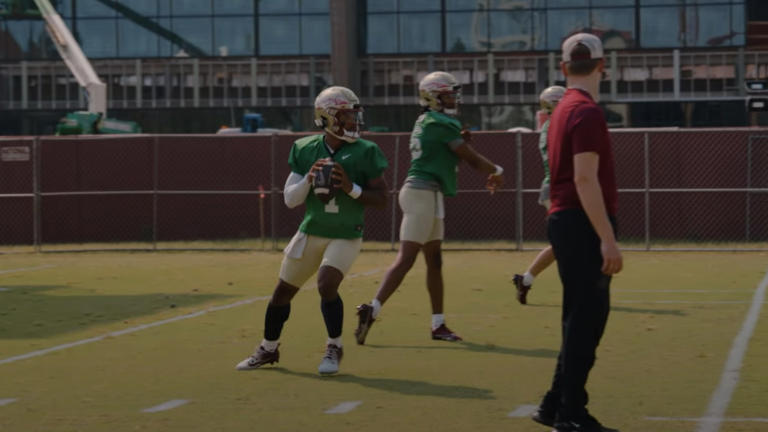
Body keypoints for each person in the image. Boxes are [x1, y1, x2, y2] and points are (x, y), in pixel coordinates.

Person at [235, 86, 388, 375]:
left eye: (355, 115)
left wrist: (349, 188)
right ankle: (268, 348)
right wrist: (309, 177)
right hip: (312, 231)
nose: (354, 122)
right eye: (347, 116)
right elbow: (291, 199)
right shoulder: (305, 149)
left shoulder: (367, 151)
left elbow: (382, 199)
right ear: (327, 117)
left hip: (346, 233)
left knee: (326, 284)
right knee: (281, 294)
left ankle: (334, 346)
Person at [354, 71, 505, 345]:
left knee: (434, 260)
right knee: (407, 258)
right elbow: (469, 159)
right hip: (421, 193)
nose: (452, 98)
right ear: (432, 97)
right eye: (447, 94)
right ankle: (371, 310)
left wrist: (462, 143)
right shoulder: (438, 121)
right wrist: (497, 169)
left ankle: (438, 324)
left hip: (430, 194)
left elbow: (450, 157)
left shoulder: (430, 120)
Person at [531, 33, 623, 432]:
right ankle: (571, 413)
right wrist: (607, 238)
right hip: (580, 222)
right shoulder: (586, 112)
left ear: (565, 67)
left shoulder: (563, 109)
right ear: (603, 65)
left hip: (565, 220)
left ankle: (554, 404)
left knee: (577, 319)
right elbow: (586, 180)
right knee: (587, 321)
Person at [513, 85, 565, 305]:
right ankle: (578, 289)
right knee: (567, 241)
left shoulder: (553, 125)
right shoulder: (555, 126)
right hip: (557, 188)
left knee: (564, 243)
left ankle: (525, 279)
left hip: (558, 187)